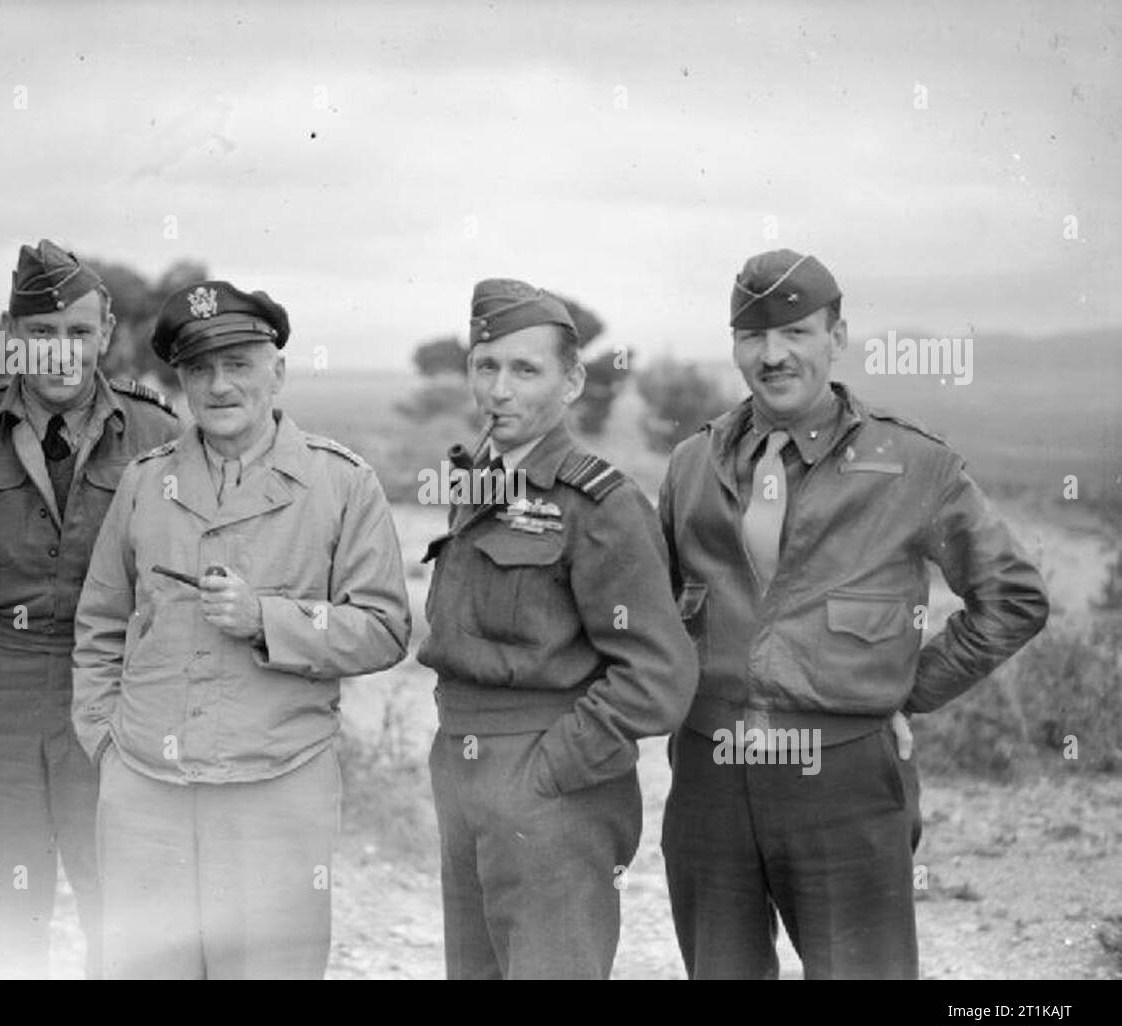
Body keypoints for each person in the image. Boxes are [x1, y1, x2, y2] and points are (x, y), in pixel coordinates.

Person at [658, 248, 1050, 979]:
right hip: (710, 774)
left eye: (797, 333)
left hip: (842, 778)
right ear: (735, 344)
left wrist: (906, 688)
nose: (772, 355)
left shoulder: (913, 465)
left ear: (837, 337)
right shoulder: (691, 463)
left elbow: (1014, 598)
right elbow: (658, 612)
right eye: (752, 336)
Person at [72, 279, 411, 979]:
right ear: (182, 379)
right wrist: (104, 739)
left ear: (277, 371)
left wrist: (269, 619)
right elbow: (102, 620)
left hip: (276, 788)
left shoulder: (342, 484)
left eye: (240, 364)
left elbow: (383, 628)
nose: (219, 385)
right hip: (146, 790)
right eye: (199, 368)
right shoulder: (143, 482)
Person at [0, 239, 179, 978]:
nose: (59, 352)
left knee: (127, 922)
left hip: (114, 704)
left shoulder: (159, 436)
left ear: (105, 335)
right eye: (40, 334)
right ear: (11, 336)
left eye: (77, 333)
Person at [417, 278, 697, 979]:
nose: (499, 391)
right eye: (486, 366)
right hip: (465, 771)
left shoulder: (599, 503)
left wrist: (551, 771)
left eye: (525, 369)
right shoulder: (478, 484)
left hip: (552, 788)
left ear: (572, 380)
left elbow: (658, 674)